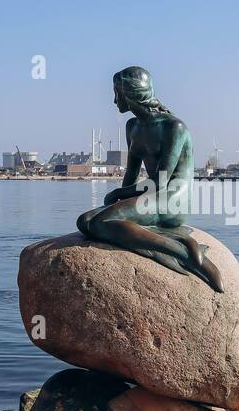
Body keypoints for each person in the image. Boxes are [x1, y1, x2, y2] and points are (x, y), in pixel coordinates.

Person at [75, 66, 223, 291]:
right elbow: (131, 174)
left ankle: (188, 253)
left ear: (131, 93)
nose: (115, 101)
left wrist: (117, 194)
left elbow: (160, 182)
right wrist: (119, 203)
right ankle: (164, 239)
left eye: (117, 93)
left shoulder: (174, 127)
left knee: (100, 223)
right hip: (152, 197)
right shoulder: (132, 126)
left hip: (172, 199)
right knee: (85, 222)